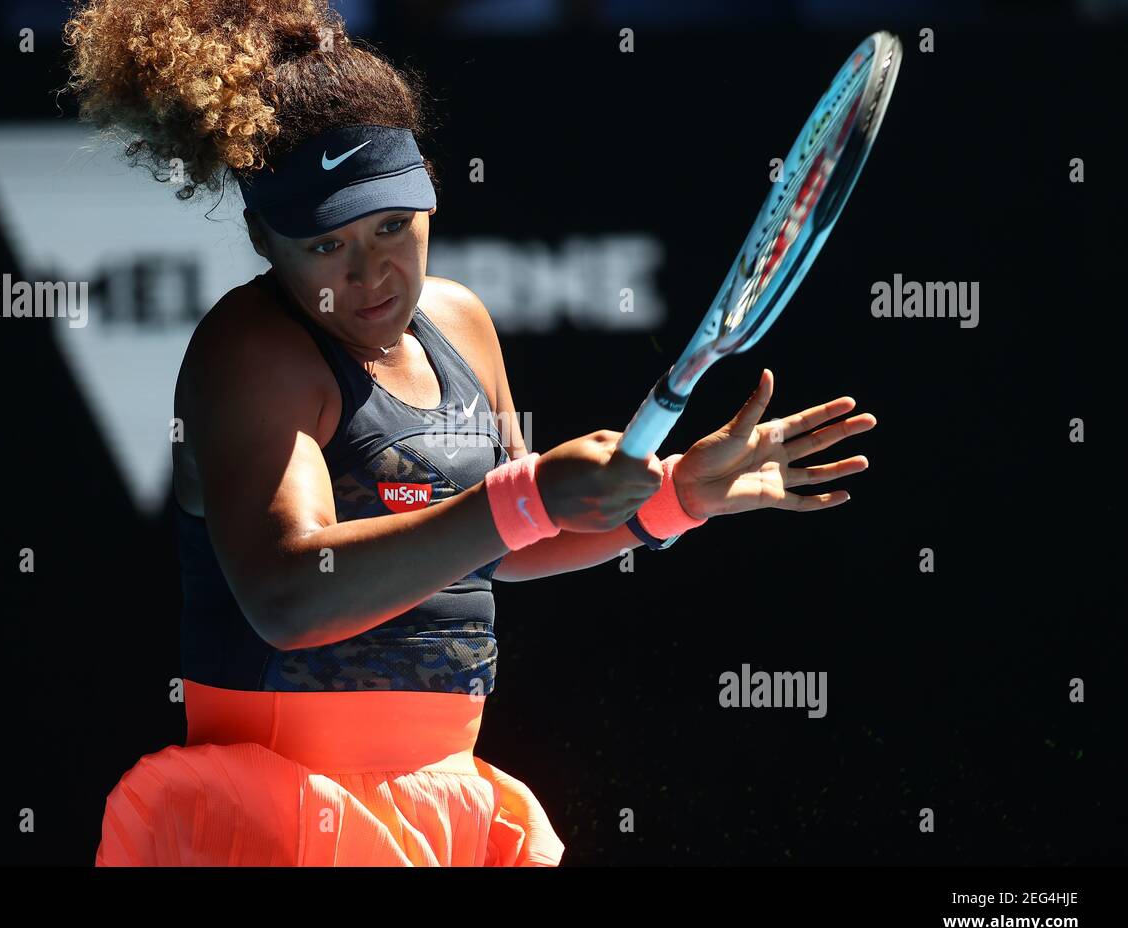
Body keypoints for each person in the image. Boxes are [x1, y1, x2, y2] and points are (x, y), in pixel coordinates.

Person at [63, 0, 876, 866]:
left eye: (391, 227)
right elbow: (288, 597)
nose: (372, 272)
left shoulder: (460, 323)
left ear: (430, 194)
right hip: (282, 822)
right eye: (325, 245)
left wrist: (671, 497)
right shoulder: (251, 351)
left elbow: (509, 546)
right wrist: (523, 496)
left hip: (443, 805)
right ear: (264, 237)